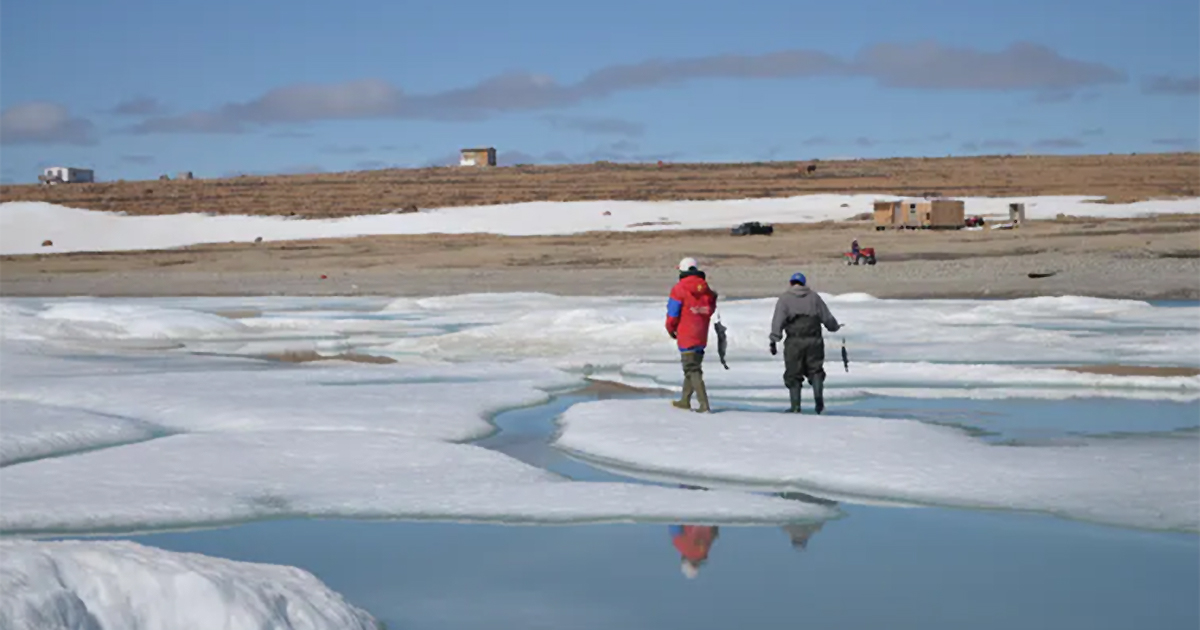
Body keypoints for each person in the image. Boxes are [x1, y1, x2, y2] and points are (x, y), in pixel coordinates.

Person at [768, 272, 840, 414]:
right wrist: (834, 327)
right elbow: (827, 317)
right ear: (804, 283)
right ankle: (819, 404)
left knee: (793, 373)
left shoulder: (784, 299)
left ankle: (795, 407)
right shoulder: (814, 297)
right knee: (816, 370)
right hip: (814, 341)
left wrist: (774, 339)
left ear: (791, 283)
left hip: (794, 342)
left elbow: (778, 320)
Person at [665, 257, 718, 413]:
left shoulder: (679, 289)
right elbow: (711, 307)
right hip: (701, 333)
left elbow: (673, 313)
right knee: (692, 366)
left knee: (692, 369)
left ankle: (704, 404)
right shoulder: (706, 289)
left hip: (686, 333)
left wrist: (670, 328)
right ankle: (685, 400)